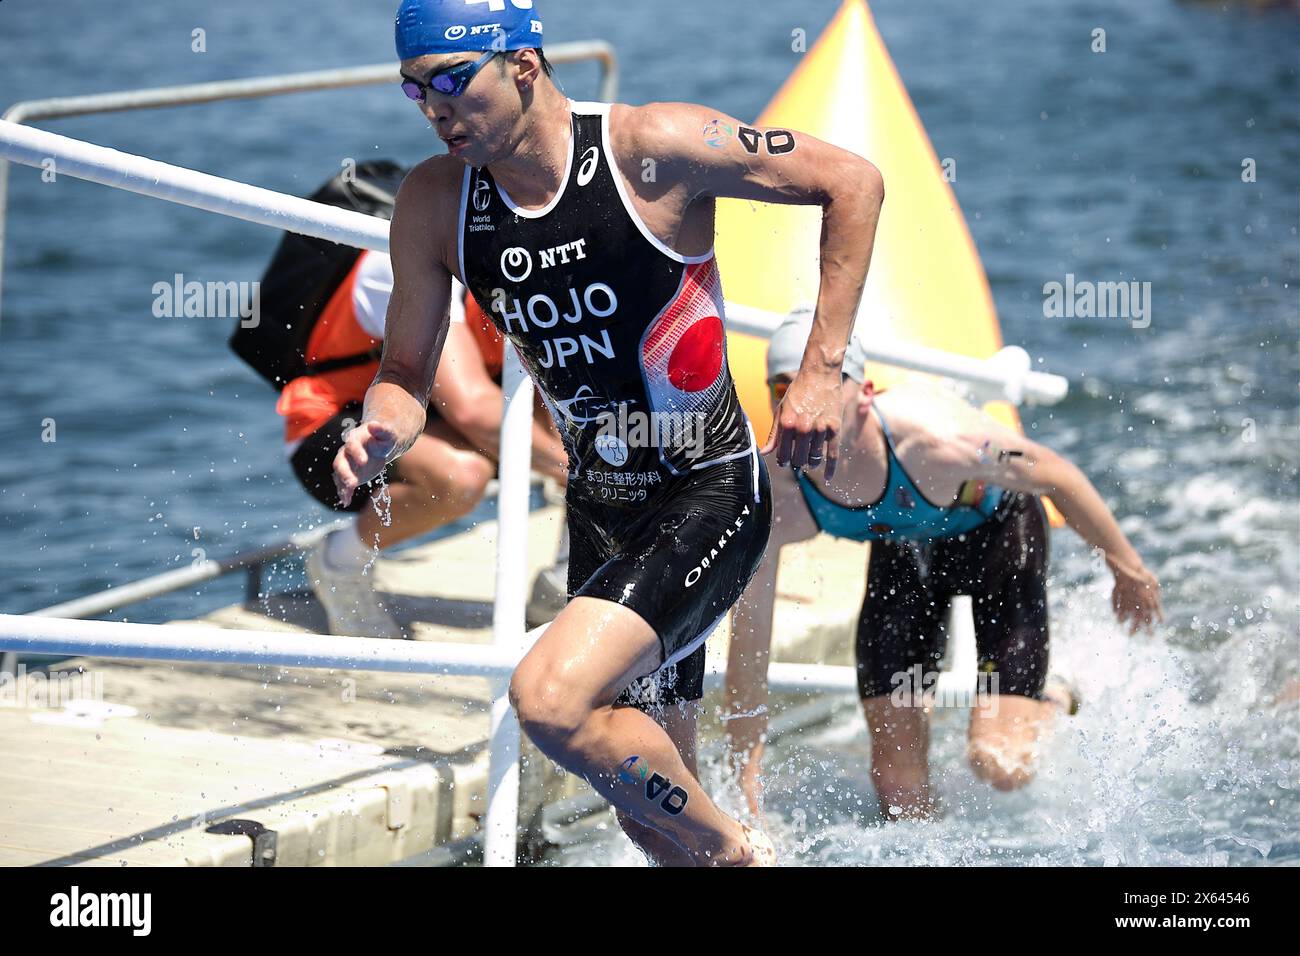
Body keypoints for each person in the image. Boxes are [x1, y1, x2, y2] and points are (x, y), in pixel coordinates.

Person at [332, 0, 885, 865]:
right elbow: (404, 374)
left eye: (450, 82)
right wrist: (380, 435)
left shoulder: (651, 148)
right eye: (413, 90)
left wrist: (819, 370)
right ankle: (719, 850)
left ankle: (743, 855)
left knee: (551, 701)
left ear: (522, 65)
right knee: (645, 812)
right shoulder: (436, 202)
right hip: (601, 508)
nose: (434, 110)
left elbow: (851, 180)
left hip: (707, 492)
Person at [724, 310, 1165, 821]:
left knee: (999, 763)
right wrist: (746, 796)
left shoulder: (935, 438)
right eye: (784, 387)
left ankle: (1053, 696)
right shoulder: (778, 491)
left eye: (822, 384)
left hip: (996, 541)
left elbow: (1057, 476)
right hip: (905, 558)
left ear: (864, 392)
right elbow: (749, 654)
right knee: (899, 793)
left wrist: (1128, 571)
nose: (803, 406)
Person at [279, 246, 571, 637]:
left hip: (429, 419)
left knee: (585, 421)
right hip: (333, 425)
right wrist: (584, 471)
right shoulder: (402, 262)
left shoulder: (526, 274)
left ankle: (564, 582)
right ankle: (339, 563)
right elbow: (471, 409)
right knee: (463, 476)